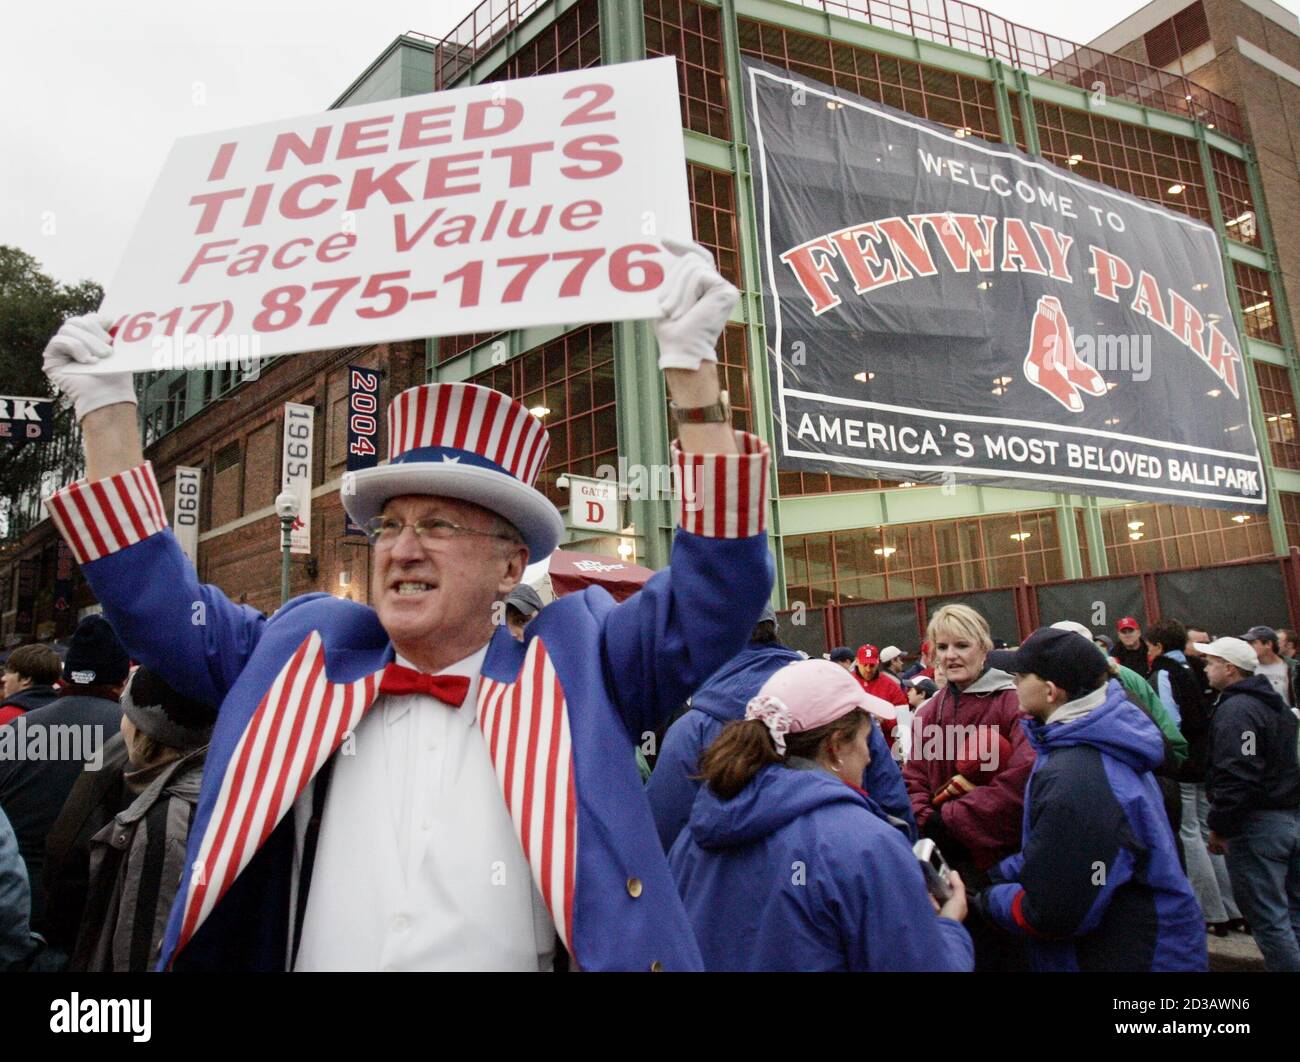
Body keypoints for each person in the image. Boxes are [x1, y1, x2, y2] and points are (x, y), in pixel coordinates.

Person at [40, 238, 773, 972]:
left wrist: (694, 384)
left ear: (510, 564)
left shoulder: (582, 662)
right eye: (389, 524)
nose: (401, 548)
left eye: (438, 525)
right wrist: (108, 412)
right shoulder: (306, 650)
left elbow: (718, 592)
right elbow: (158, 609)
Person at [668, 659, 973, 971]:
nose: (869, 756)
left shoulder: (695, 834)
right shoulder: (866, 844)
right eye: (866, 739)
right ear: (835, 745)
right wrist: (948, 929)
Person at [974, 628, 1207, 971]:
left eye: (1022, 676)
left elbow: (1055, 913)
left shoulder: (1077, 773)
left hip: (1127, 955)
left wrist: (984, 900)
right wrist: (998, 872)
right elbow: (1064, 853)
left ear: (1051, 691)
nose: (1015, 684)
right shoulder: (1091, 740)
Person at [648, 607, 914, 852]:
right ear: (775, 629)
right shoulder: (841, 703)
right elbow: (893, 809)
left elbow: (661, 836)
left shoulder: (690, 730)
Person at [71, 667, 215, 971]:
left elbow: (142, 951)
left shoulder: (166, 823)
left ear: (143, 731)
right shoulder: (205, 794)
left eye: (126, 713)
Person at [0, 614, 128, 929]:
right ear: (122, 680)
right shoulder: (135, 737)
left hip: (20, 904)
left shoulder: (15, 729)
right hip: (96, 909)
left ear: (66, 676)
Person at [903, 605, 1034, 888]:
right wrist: (928, 822)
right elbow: (914, 778)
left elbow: (1024, 780)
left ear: (983, 649)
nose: (951, 655)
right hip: (945, 860)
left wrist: (952, 821)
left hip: (1004, 863)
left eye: (962, 645)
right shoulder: (927, 713)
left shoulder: (1014, 704)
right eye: (943, 646)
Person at [1201, 637, 1300, 971]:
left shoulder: (1238, 710)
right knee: (1292, 914)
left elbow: (1239, 773)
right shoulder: (1275, 705)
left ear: (1230, 669)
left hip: (1257, 826)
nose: (1205, 668)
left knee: (1270, 920)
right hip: (1288, 817)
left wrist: (1221, 826)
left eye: (1210, 662)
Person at [1143, 618, 1237, 934]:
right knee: (1206, 831)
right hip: (1205, 763)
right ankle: (1233, 905)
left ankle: (1211, 911)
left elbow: (1169, 723)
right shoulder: (1196, 669)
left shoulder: (1163, 673)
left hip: (1184, 768)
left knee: (1189, 834)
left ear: (1155, 646)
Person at [851, 644, 909, 740]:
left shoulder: (891, 685)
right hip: (854, 744)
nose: (868, 669)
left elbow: (903, 719)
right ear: (857, 662)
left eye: (872, 665)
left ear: (877, 663)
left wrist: (885, 720)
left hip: (885, 745)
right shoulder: (848, 682)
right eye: (864, 664)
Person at [0, 644, 63, 725]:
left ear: (26, 679)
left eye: (10, 672)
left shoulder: (5, 717)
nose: (3, 678)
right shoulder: (66, 716)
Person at [1241, 625, 1295, 707]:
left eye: (1253, 643)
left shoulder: (1292, 668)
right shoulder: (1246, 669)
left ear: (1268, 644)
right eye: (1247, 643)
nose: (1248, 647)